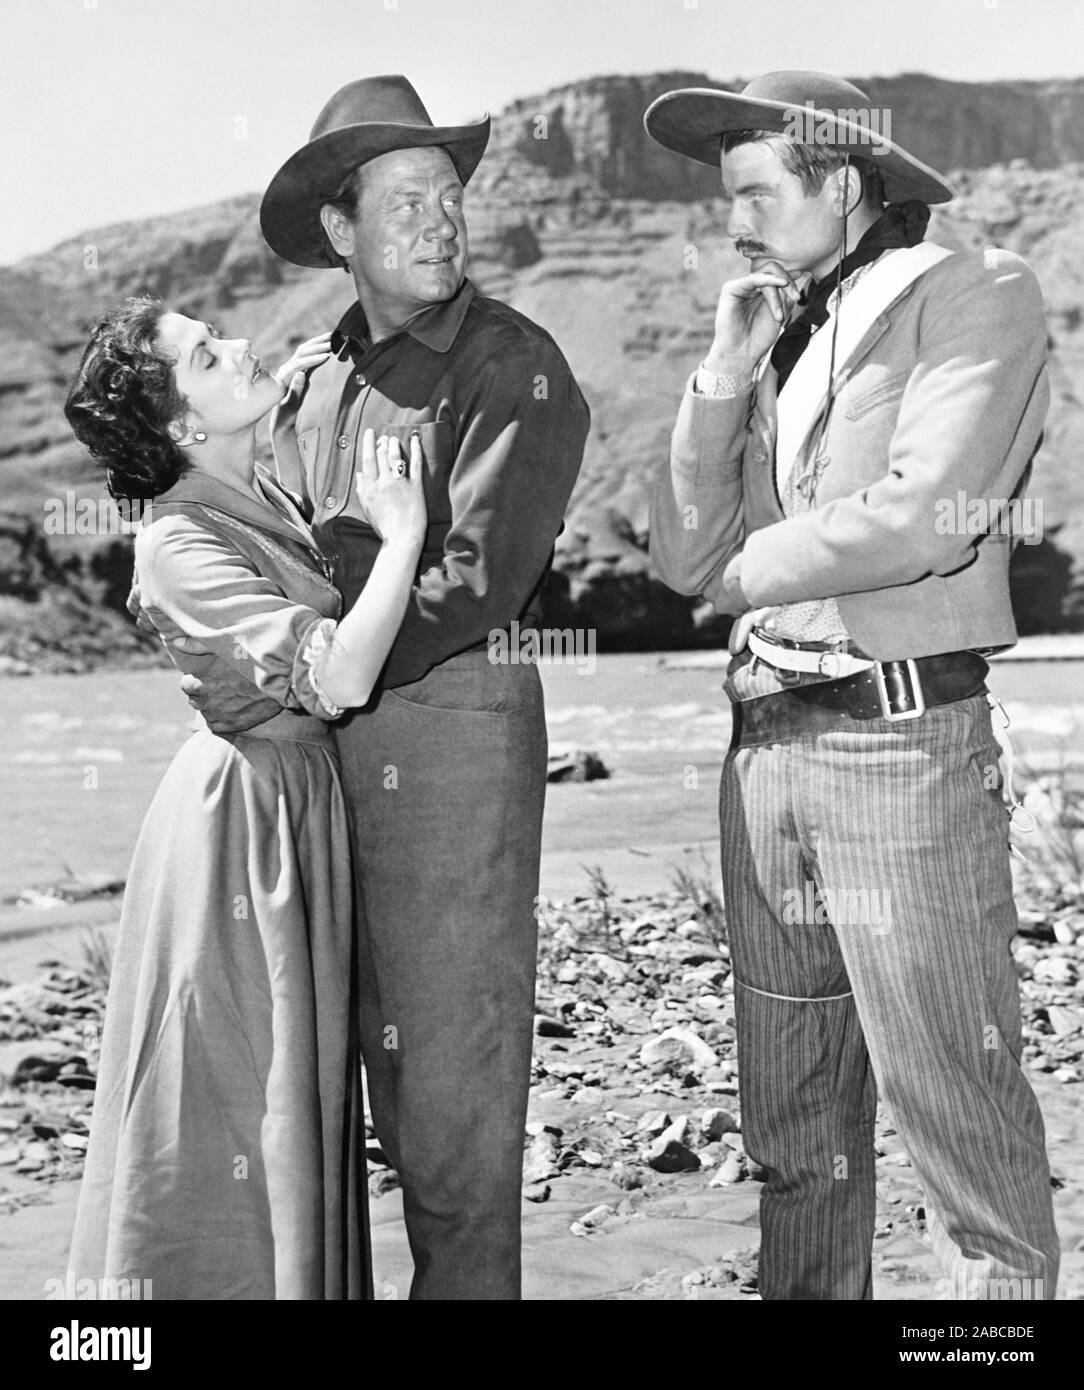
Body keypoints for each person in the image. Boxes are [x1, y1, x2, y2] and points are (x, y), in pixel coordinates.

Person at [171, 75, 590, 1300]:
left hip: (448, 752)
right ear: (340, 232)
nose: (439, 220)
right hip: (314, 767)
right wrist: (273, 656)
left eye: (450, 195)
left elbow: (472, 583)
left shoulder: (517, 363)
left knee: (449, 1125)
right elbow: (263, 537)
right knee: (312, 1100)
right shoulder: (316, 374)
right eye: (405, 198)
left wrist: (307, 662)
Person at [646, 70, 1059, 1300]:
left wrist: (740, 571)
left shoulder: (974, 292)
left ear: (841, 180)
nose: (737, 223)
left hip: (900, 749)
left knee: (959, 1127)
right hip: (764, 755)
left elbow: (925, 517)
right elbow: (677, 554)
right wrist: (725, 374)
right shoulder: (783, 330)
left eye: (756, 192)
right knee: (795, 1134)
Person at [63, 294, 427, 1299]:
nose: (242, 346)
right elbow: (340, 678)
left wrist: (274, 400)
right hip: (242, 824)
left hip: (291, 800)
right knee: (234, 1085)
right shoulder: (172, 543)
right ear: (183, 425)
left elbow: (275, 520)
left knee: (280, 1089)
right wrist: (401, 537)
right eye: (209, 357)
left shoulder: (243, 488)